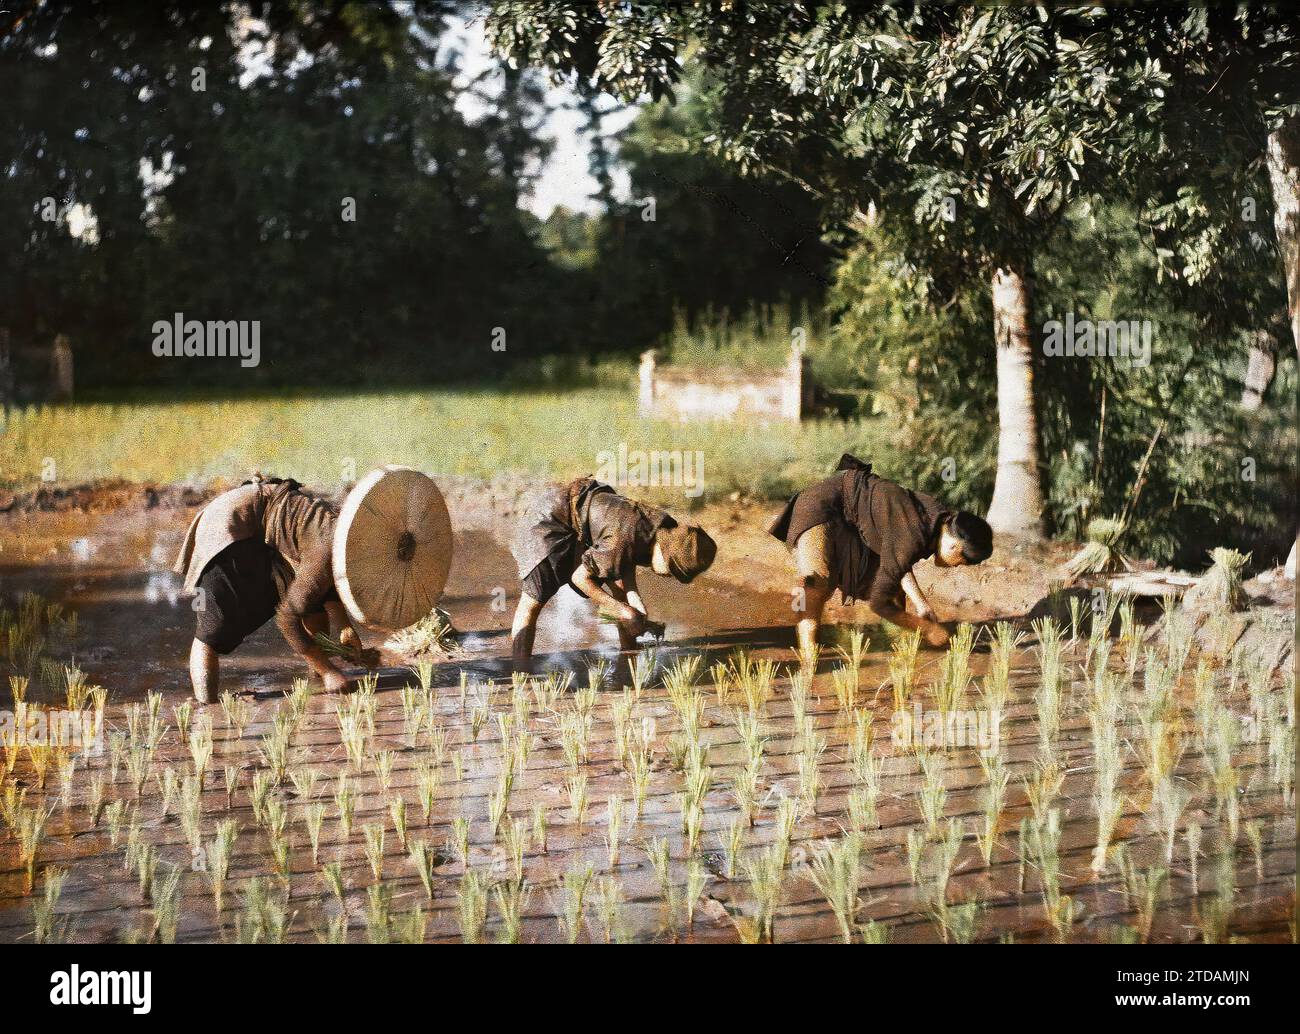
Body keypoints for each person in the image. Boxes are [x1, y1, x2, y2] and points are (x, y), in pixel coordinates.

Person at [769, 455, 993, 659]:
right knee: (819, 582)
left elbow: (899, 561)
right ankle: (809, 660)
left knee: (893, 587)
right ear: (955, 546)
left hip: (854, 520)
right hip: (823, 505)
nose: (957, 567)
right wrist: (927, 628)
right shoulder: (914, 533)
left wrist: (921, 604)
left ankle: (898, 648)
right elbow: (879, 603)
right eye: (962, 562)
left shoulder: (939, 517)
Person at [173, 475, 368, 702]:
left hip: (264, 521)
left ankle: (317, 674)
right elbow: (287, 618)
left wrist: (345, 627)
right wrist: (330, 672)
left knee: (313, 602)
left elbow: (324, 585)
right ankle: (206, 708)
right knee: (212, 630)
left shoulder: (340, 532)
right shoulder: (324, 551)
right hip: (226, 526)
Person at [510, 476, 717, 667]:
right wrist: (621, 610)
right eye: (673, 571)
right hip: (549, 518)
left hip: (583, 517)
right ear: (666, 554)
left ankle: (628, 657)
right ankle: (520, 671)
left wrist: (634, 602)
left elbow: (624, 562)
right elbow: (580, 577)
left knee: (620, 590)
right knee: (532, 602)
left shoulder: (662, 528)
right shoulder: (625, 536)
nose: (670, 576)